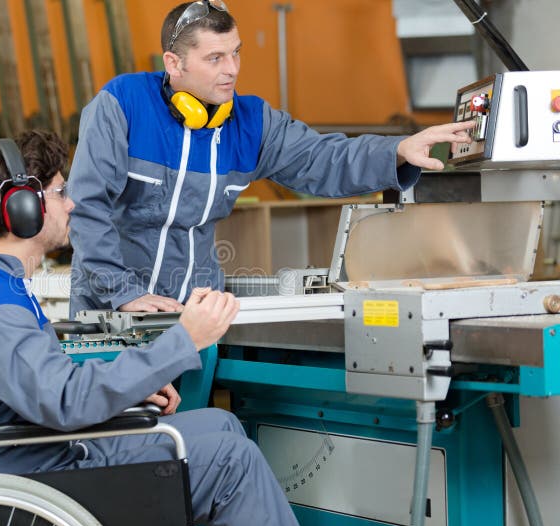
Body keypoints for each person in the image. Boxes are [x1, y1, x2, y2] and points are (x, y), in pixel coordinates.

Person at [0, 130, 303, 526]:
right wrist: (184, 340)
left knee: (220, 424)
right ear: (22, 207)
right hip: (39, 481)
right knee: (231, 459)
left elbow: (45, 385)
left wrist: (133, 386)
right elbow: (63, 399)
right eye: (60, 193)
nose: (71, 204)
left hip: (45, 455)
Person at [67, 0, 474, 318]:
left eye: (236, 53)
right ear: (174, 63)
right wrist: (123, 294)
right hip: (112, 317)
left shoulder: (251, 122)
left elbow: (322, 158)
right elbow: (86, 207)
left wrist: (396, 151)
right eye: (215, 58)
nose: (232, 70)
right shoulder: (122, 105)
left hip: (194, 319)